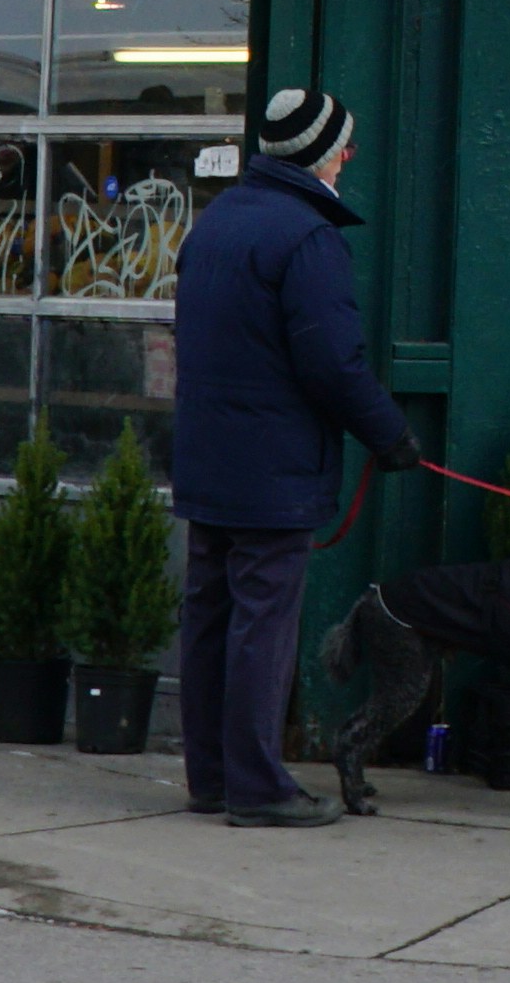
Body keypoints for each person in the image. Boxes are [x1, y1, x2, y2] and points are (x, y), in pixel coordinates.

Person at [167, 84, 413, 831]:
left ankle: (211, 777)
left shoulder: (217, 224)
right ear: (322, 154)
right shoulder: (308, 238)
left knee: (211, 618)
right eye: (345, 145)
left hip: (209, 460)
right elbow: (334, 364)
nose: (351, 157)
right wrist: (390, 436)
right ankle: (258, 785)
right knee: (262, 627)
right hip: (272, 470)